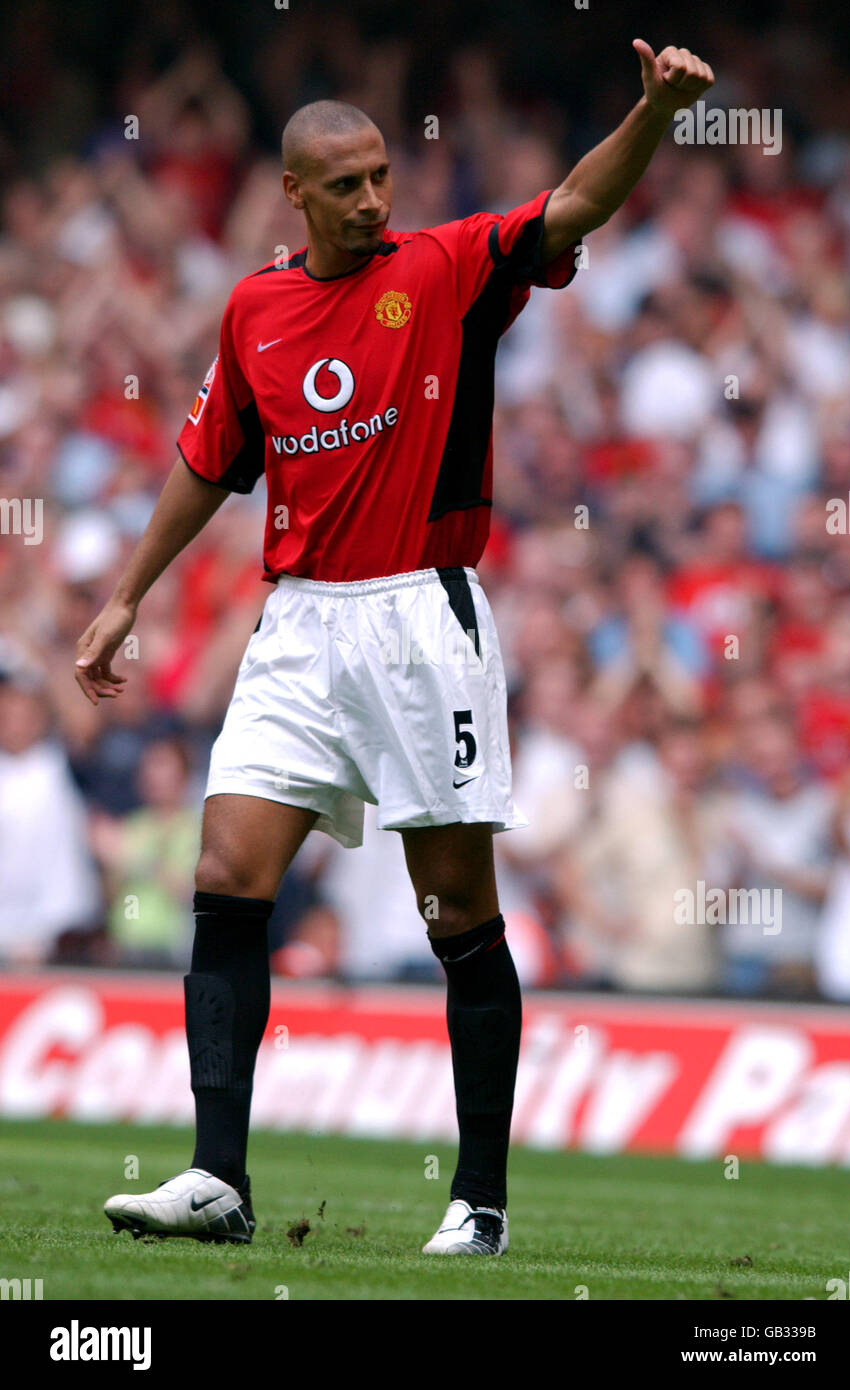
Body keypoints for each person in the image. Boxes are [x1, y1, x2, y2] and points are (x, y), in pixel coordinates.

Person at [78, 39, 714, 1255]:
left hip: (421, 619)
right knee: (224, 875)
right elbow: (209, 461)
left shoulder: (444, 268)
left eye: (381, 174)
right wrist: (123, 596)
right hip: (300, 621)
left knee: (454, 912)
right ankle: (219, 1179)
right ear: (296, 195)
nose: (376, 197)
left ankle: (478, 1198)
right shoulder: (255, 307)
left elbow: (573, 204)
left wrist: (652, 114)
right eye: (349, 183)